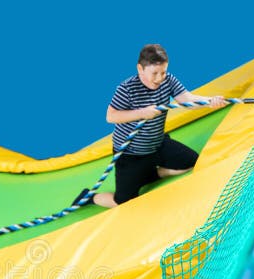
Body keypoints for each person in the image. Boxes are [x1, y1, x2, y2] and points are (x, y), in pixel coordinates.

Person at [74, 44, 227, 208]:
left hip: (157, 144)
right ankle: (89, 197)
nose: (159, 78)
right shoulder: (126, 89)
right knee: (124, 203)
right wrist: (141, 113)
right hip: (130, 154)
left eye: (163, 72)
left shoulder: (167, 80)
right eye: (154, 73)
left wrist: (210, 101)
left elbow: (187, 99)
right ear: (140, 69)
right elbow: (111, 116)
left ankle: (150, 174)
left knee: (193, 162)